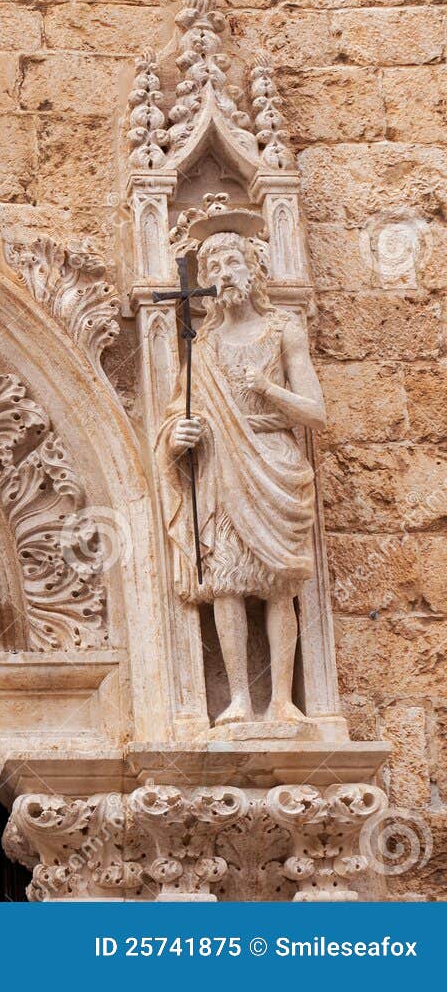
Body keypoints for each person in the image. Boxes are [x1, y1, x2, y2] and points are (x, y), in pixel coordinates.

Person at [159, 222, 325, 729]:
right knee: (226, 582)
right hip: (221, 466)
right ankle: (237, 699)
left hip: (274, 461)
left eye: (232, 263)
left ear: (253, 271)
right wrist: (177, 437)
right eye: (212, 268)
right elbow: (178, 411)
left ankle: (282, 700)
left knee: (279, 585)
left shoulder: (282, 331)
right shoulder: (204, 346)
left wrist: (268, 389)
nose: (223, 274)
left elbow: (315, 412)